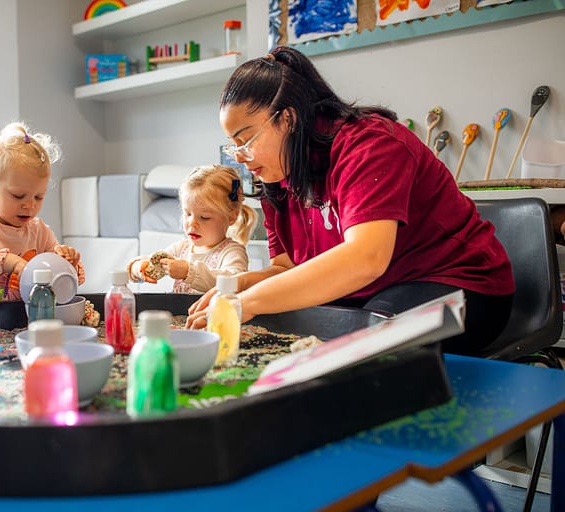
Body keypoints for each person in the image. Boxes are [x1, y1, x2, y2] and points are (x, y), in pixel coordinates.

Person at [186, 46, 514, 356]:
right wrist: (240, 285)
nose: (239, 157)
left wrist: (249, 301)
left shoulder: (369, 145)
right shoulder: (277, 176)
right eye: (233, 145)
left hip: (459, 285)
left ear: (287, 119)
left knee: (359, 344)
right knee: (284, 331)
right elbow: (287, 269)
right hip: (370, 291)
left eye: (245, 140)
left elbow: (366, 258)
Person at [0, 121, 85, 305]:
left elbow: (58, 282)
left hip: (25, 319)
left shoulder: (39, 231)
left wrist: (67, 263)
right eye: (18, 196)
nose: (30, 205)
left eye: (38, 197)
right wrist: (9, 262)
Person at [127, 164, 257, 294]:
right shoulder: (181, 248)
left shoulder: (232, 252)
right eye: (188, 214)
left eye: (204, 217)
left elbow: (235, 283)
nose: (192, 223)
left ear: (231, 217)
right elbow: (152, 261)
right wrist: (138, 267)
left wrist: (189, 272)